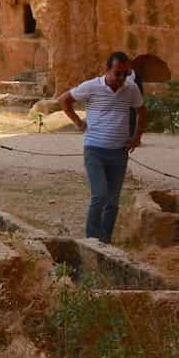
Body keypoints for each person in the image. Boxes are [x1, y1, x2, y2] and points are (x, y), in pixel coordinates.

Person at [59, 50, 144, 244]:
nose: (122, 78)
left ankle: (105, 241)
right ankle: (91, 239)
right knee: (100, 195)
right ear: (106, 70)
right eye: (118, 73)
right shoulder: (91, 87)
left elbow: (142, 111)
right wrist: (78, 123)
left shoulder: (131, 89)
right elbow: (64, 100)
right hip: (95, 149)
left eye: (126, 73)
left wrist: (137, 137)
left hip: (119, 152)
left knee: (113, 202)